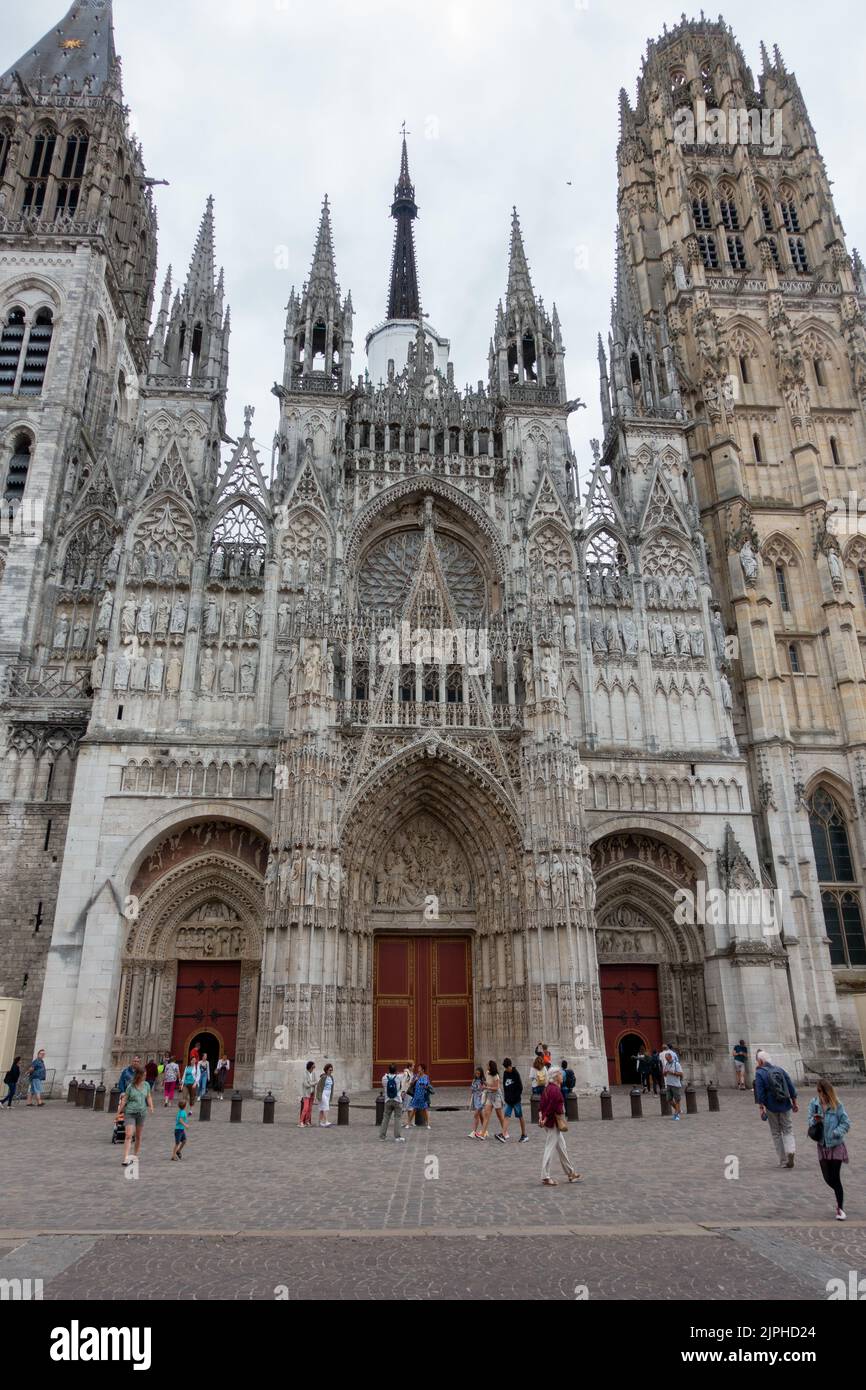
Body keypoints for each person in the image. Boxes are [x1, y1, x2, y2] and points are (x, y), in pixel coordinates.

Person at [807, 1078, 850, 1220]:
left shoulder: (837, 1105)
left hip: (836, 1145)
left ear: (827, 1092)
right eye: (818, 1091)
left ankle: (840, 1208)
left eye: (822, 1091)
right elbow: (809, 1121)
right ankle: (839, 1193)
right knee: (827, 1178)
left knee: (835, 1178)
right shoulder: (814, 1104)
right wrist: (816, 1120)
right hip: (822, 1145)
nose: (820, 1095)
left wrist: (836, 1132)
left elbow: (846, 1123)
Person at [754, 1050, 799, 1168]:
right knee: (788, 1129)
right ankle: (791, 1151)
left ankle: (783, 1160)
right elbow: (790, 1086)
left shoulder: (759, 1073)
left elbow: (760, 1092)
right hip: (785, 1103)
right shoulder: (780, 1069)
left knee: (776, 1133)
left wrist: (761, 1107)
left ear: (760, 1061)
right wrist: (794, 1102)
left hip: (771, 1105)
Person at [539, 1067, 580, 1186]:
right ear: (556, 1077)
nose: (562, 1075)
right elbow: (552, 1107)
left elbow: (541, 1105)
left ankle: (571, 1173)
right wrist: (545, 1118)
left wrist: (541, 1117)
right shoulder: (555, 1090)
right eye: (560, 1074)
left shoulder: (548, 1088)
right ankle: (545, 1176)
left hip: (550, 1122)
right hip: (553, 1123)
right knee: (550, 1148)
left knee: (562, 1147)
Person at [118, 1064, 154, 1167]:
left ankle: (134, 1156)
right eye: (144, 1075)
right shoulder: (130, 1086)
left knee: (138, 1136)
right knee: (128, 1135)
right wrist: (119, 1111)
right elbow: (125, 1099)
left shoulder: (146, 1085)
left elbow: (148, 1096)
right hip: (130, 1112)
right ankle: (125, 1158)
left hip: (141, 1113)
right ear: (139, 1075)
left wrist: (151, 1106)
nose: (145, 1077)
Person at [479, 1060, 507, 1141]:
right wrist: (484, 1083)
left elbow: (496, 1088)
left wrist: (486, 1087)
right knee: (486, 1115)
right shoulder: (487, 1073)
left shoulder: (496, 1076)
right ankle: (483, 1134)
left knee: (500, 1116)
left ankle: (505, 1133)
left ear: (491, 1067)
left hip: (496, 1096)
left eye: (488, 1065)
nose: (487, 1066)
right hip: (489, 1096)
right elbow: (488, 1083)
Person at [502, 1057, 528, 1142]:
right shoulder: (505, 1073)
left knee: (520, 1116)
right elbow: (505, 1086)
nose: (506, 1069)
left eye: (507, 1067)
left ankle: (524, 1135)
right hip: (509, 1100)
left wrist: (515, 1097)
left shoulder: (516, 1073)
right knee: (506, 1116)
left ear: (510, 1066)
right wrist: (506, 1097)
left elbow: (520, 1087)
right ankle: (503, 1134)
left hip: (516, 1100)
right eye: (505, 1068)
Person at [380, 1063, 405, 1141]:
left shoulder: (384, 1078)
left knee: (386, 1118)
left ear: (389, 1070)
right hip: (397, 1099)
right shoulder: (398, 1077)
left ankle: (382, 1136)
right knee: (397, 1118)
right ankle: (397, 1136)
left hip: (387, 1100)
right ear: (396, 1070)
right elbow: (406, 1074)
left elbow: (383, 1086)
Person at [407, 1063, 431, 1129]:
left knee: (425, 1110)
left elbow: (428, 1085)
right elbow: (411, 1084)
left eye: (419, 1068)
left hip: (423, 1095)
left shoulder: (426, 1077)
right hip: (416, 1095)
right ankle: (408, 1123)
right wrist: (415, 1080)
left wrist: (425, 1086)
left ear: (423, 1070)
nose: (418, 1069)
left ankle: (428, 1124)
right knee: (414, 1109)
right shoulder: (416, 1076)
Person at [662, 1048, 684, 1119]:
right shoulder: (667, 1064)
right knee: (669, 1100)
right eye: (666, 1058)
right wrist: (665, 1073)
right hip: (669, 1084)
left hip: (675, 1084)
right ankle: (678, 1110)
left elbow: (681, 1073)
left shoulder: (676, 1064)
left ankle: (676, 1114)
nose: (667, 1060)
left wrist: (673, 1072)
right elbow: (665, 1074)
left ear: (671, 1057)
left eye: (667, 1058)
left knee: (677, 1100)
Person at [469, 1066, 486, 1137]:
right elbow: (472, 1090)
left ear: (481, 1074)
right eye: (476, 1073)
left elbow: (485, 1090)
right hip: (475, 1099)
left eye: (479, 1073)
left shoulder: (483, 1081)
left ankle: (474, 1132)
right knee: (481, 1116)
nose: (477, 1075)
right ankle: (485, 1131)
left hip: (481, 1100)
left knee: (476, 1115)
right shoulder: (474, 1080)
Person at [171, 1096, 189, 1161]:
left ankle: (178, 1151)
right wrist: (186, 1125)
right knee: (177, 1143)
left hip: (181, 1129)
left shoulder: (182, 1111)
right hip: (178, 1130)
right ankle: (173, 1156)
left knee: (184, 1141)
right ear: (185, 1106)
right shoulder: (182, 1112)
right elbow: (180, 1120)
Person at [299, 1060, 316, 1126]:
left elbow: (316, 1081)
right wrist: (312, 1083)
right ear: (310, 1067)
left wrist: (311, 1083)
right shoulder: (305, 1074)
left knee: (310, 1109)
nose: (314, 1068)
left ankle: (307, 1121)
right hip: (306, 1094)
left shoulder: (314, 1073)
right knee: (305, 1108)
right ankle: (301, 1122)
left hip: (312, 1093)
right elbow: (306, 1085)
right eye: (313, 1067)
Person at [400, 1061, 416, 1130]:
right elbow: (403, 1083)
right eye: (413, 1066)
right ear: (409, 1067)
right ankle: (399, 1121)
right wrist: (402, 1092)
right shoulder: (406, 1073)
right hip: (406, 1092)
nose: (414, 1067)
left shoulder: (411, 1073)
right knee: (403, 1108)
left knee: (410, 1107)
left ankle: (410, 1122)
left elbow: (409, 1083)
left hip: (409, 1092)